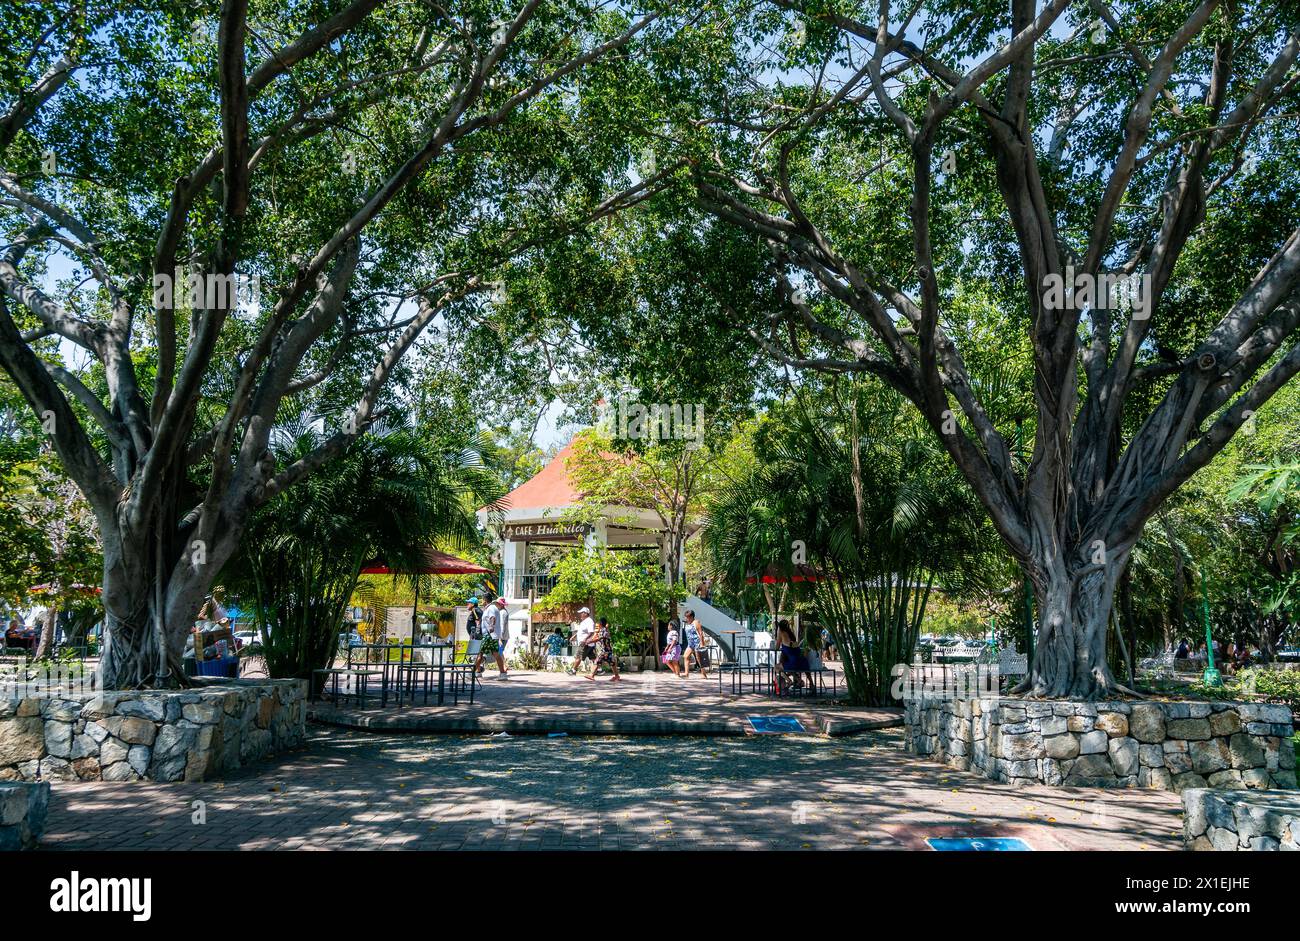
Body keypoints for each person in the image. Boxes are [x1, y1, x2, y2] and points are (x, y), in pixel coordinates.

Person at [475, 597, 510, 679]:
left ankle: (474, 672)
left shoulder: (491, 608)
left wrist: (491, 627)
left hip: (489, 635)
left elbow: (492, 618)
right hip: (491, 635)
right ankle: (502, 674)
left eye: (482, 600)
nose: (481, 601)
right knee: (495, 653)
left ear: (485, 600)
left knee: (480, 653)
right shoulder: (492, 608)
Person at [776, 621, 812, 693]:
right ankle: (807, 682)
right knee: (788, 667)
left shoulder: (782, 634)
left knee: (777, 667)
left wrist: (778, 634)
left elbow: (776, 647)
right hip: (802, 662)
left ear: (780, 628)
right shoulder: (792, 635)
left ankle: (789, 681)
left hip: (793, 663)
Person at [586, 616, 622, 681]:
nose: (598, 624)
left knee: (597, 661)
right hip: (608, 650)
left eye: (599, 622)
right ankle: (617, 676)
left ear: (601, 623)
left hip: (604, 650)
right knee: (612, 663)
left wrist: (590, 641)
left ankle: (592, 675)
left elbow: (599, 638)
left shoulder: (603, 630)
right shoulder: (604, 630)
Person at [680, 609, 710, 679]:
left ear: (691, 617)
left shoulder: (696, 622)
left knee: (699, 659)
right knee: (686, 656)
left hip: (697, 643)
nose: (686, 618)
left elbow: (700, 633)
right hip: (690, 644)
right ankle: (686, 674)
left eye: (687, 617)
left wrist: (702, 644)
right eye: (686, 617)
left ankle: (704, 674)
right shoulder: (688, 624)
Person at [569, 606, 595, 675]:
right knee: (592, 657)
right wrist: (574, 636)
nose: (580, 614)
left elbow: (591, 632)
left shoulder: (589, 621)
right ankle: (599, 670)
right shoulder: (584, 622)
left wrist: (585, 639)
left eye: (582, 613)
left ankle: (573, 670)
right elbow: (580, 631)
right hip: (587, 643)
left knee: (578, 656)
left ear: (586, 613)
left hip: (585, 643)